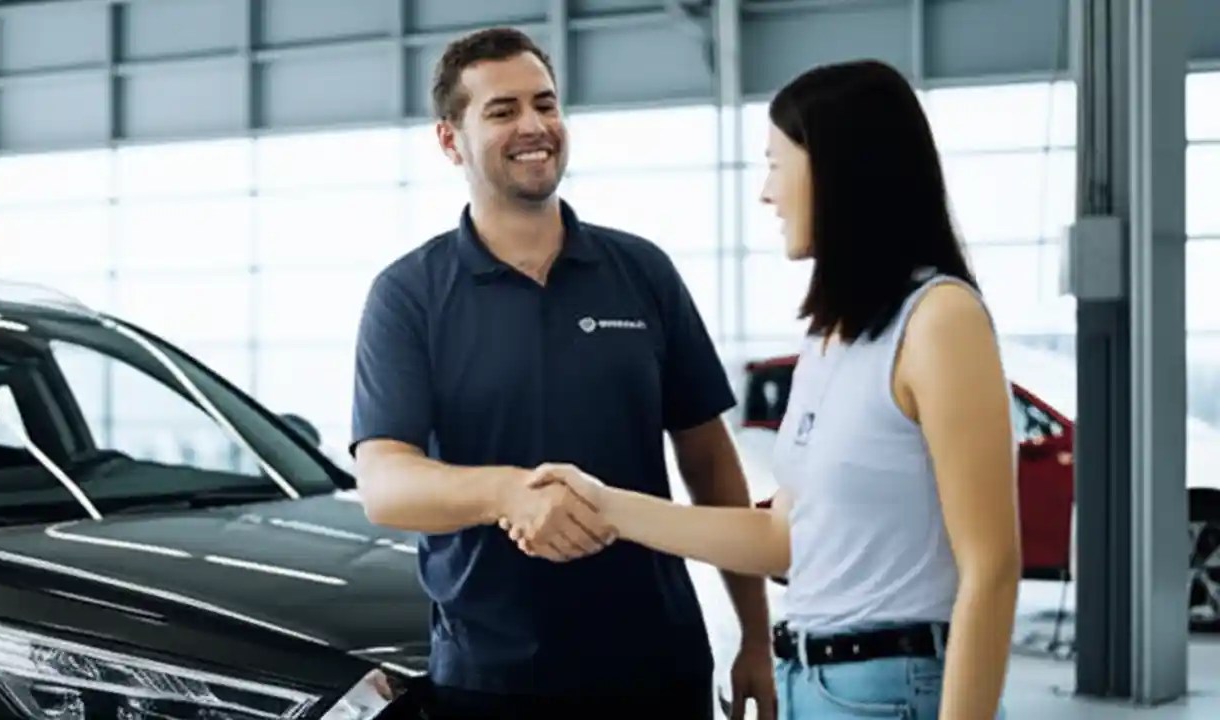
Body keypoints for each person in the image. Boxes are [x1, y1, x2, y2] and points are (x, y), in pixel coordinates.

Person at [510, 59, 1021, 720]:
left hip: (895, 691)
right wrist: (605, 505)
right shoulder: (833, 338)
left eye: (777, 165)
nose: (767, 194)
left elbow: (991, 568)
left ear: (838, 170)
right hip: (813, 685)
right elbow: (783, 537)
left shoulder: (940, 320)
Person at [349, 26, 775, 720]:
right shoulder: (409, 295)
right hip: (491, 678)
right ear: (450, 141)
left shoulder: (642, 272)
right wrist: (508, 493)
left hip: (658, 665)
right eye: (503, 110)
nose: (534, 126)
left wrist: (755, 635)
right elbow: (385, 484)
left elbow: (709, 460)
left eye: (545, 104)